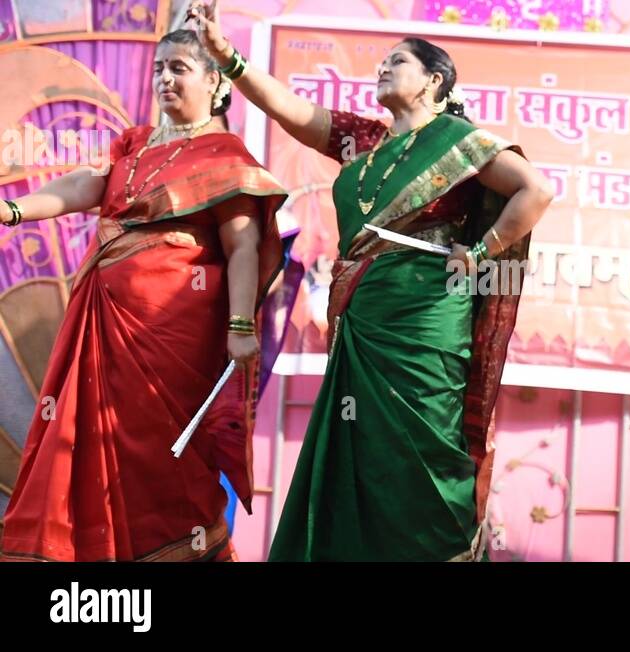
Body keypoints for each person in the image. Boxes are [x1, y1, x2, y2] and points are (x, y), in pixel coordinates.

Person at [187, 2, 553, 560]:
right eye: (381, 62)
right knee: (358, 448)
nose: (382, 69)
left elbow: (536, 190)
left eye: (397, 61)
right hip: (362, 314)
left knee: (420, 445)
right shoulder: (364, 142)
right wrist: (226, 56)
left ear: (434, 80)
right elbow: (290, 110)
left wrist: (483, 251)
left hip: (426, 316)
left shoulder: (459, 140)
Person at [0, 29, 287, 561]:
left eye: (179, 67)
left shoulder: (225, 155)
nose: (165, 78)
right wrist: (15, 210)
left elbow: (244, 247)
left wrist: (241, 326)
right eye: (159, 69)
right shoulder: (131, 144)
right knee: (84, 443)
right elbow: (86, 186)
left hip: (174, 335)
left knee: (159, 456)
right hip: (102, 321)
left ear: (214, 80)